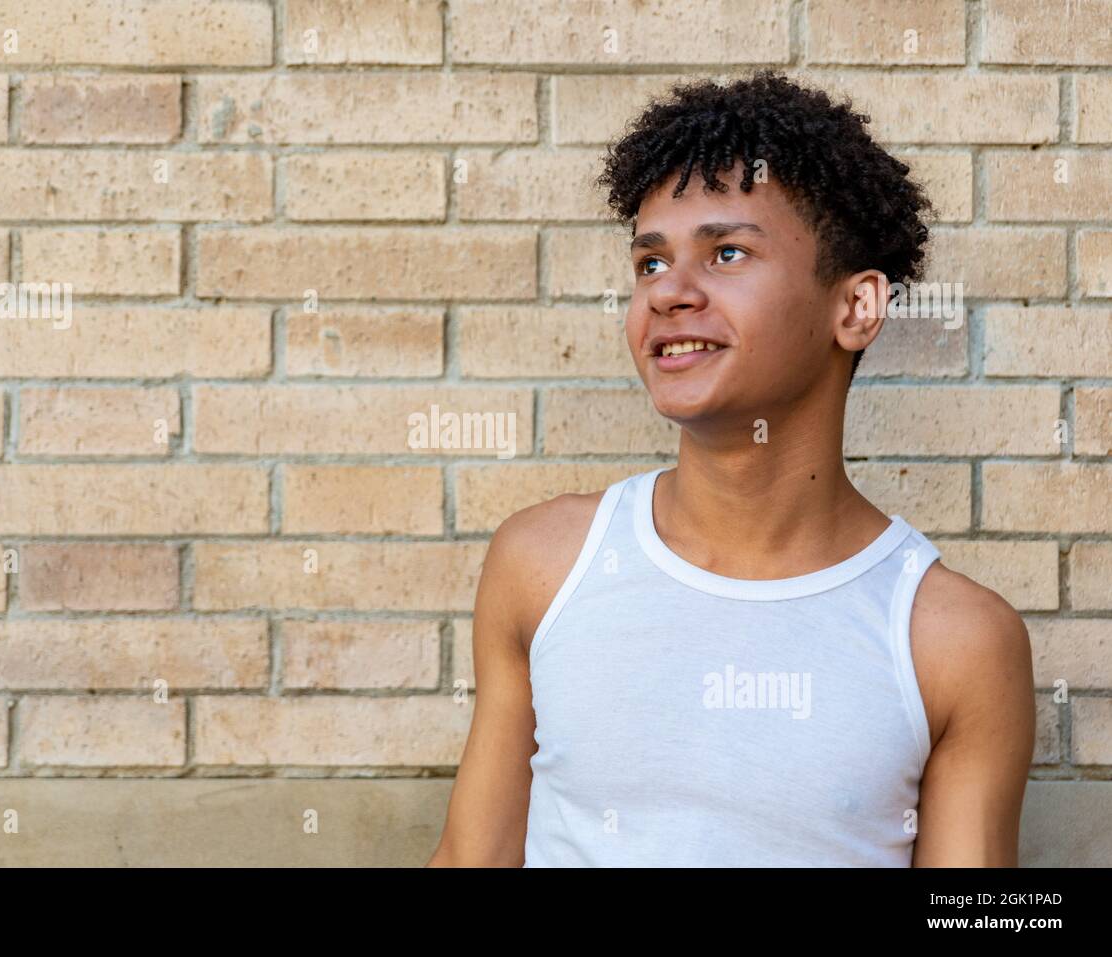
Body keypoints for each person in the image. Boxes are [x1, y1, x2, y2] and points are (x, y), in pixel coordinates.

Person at [426, 70, 1035, 867]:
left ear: (856, 308)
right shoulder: (544, 565)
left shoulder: (952, 641)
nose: (670, 292)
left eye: (726, 252)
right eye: (650, 263)